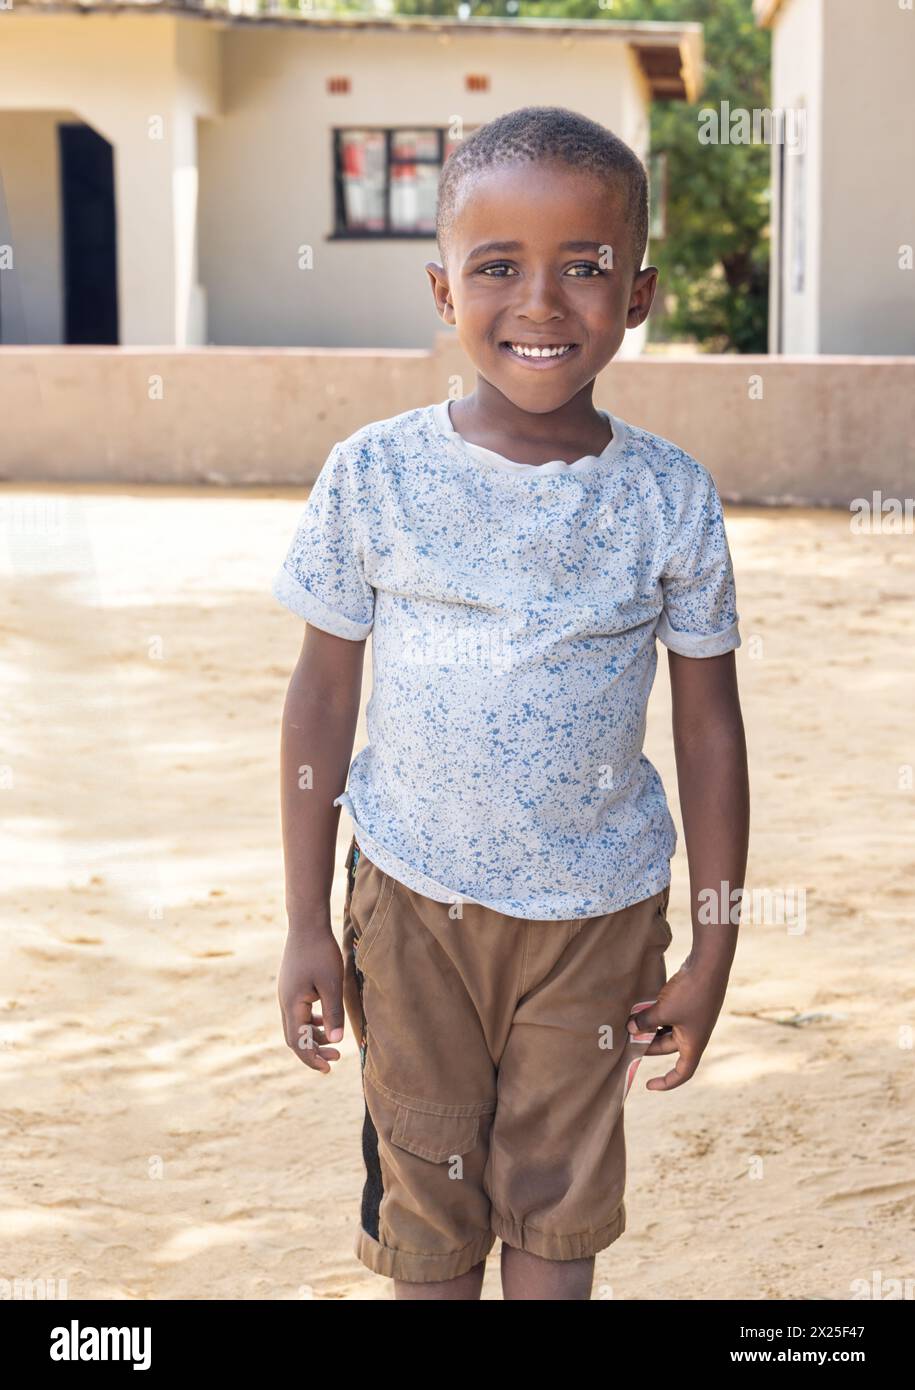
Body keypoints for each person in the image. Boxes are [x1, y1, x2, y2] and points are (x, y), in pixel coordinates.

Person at [273, 106, 750, 1301]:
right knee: (429, 1209)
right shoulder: (375, 475)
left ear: (636, 294)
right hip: (412, 906)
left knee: (555, 1206)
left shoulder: (668, 498)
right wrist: (302, 922)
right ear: (444, 290)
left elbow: (709, 728)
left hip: (597, 921)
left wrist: (718, 938)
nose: (541, 303)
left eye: (585, 267)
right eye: (498, 267)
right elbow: (322, 702)